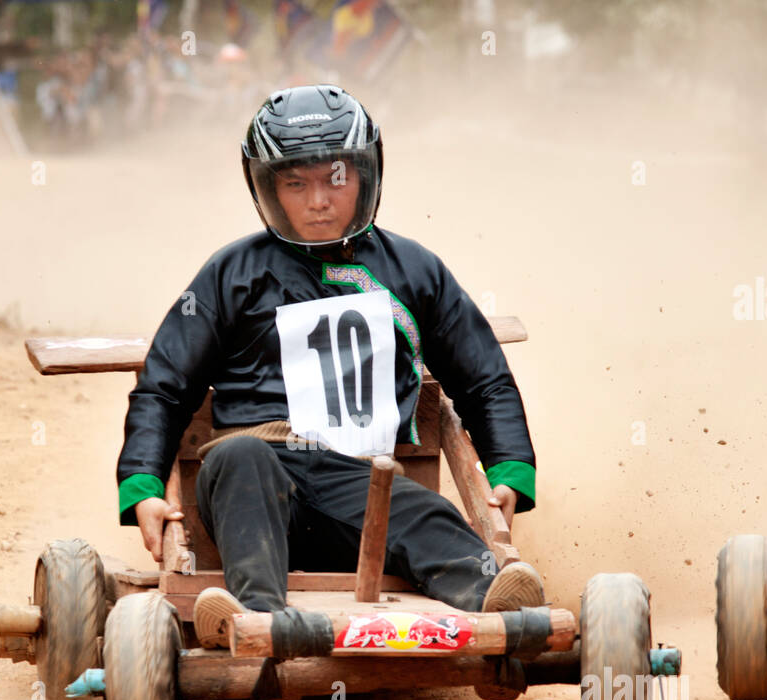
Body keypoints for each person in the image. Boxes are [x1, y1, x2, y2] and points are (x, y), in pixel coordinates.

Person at [116, 84, 543, 648]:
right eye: (296, 183)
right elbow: (164, 387)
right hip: (256, 482)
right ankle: (257, 622)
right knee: (242, 457)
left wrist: (510, 468)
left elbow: (483, 379)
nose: (319, 200)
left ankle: (503, 613)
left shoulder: (414, 270)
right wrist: (142, 485)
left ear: (365, 177)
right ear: (267, 188)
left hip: (364, 483)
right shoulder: (231, 274)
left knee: (432, 519)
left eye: (335, 178)